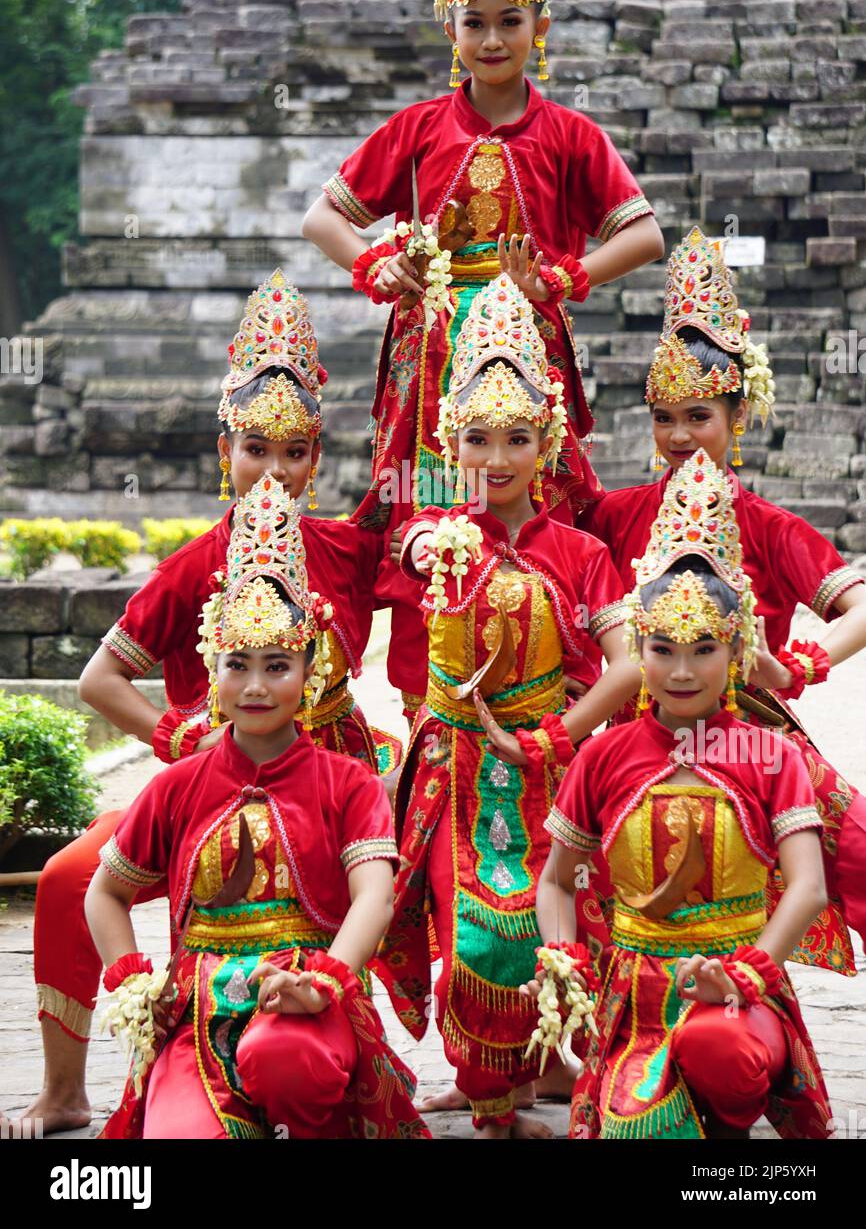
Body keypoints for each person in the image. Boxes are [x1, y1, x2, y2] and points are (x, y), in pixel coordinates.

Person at [3, 269, 399, 1137]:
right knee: (74, 879)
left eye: (294, 452)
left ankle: (504, 1077)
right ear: (227, 452)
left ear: (316, 459)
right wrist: (184, 736)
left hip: (333, 791)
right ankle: (67, 1085)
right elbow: (99, 680)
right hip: (207, 793)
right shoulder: (194, 564)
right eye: (256, 448)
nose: (275, 471)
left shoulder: (349, 551)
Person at [301, 0, 664, 721]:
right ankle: (433, 711)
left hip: (529, 351)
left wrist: (565, 278)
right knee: (429, 519)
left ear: (539, 21)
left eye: (511, 19)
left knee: (542, 516)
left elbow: (645, 234)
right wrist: (382, 266)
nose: (493, 38)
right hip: (430, 362)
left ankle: (557, 697)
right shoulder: (419, 128)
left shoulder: (572, 134)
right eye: (476, 21)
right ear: (450, 27)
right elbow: (324, 218)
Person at [375, 272, 640, 1138]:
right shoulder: (440, 534)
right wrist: (433, 543)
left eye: (518, 438)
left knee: (548, 927)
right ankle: (494, 1101)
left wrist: (559, 734)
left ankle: (552, 1072)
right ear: (452, 440)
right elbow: (412, 549)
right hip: (454, 768)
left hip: (550, 767)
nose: (497, 458)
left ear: (547, 444)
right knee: (476, 939)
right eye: (479, 438)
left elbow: (628, 663)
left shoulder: (581, 551)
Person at [84, 473, 427, 1139]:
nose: (256, 686)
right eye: (237, 664)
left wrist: (327, 980)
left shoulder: (346, 781)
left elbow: (374, 898)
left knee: (287, 1059)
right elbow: (105, 892)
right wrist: (130, 983)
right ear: (212, 667)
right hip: (200, 1009)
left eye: (277, 666)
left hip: (304, 1002)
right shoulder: (178, 784)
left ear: (311, 671)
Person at [580, 225, 866, 970]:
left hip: (740, 732)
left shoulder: (769, 527)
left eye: (699, 416)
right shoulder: (613, 517)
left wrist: (793, 669)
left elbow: (860, 607)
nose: (680, 436)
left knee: (858, 847)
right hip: (632, 734)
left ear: (737, 419)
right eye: (665, 418)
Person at [532, 448, 832, 1139]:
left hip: (735, 984)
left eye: (703, 648)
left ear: (735, 650)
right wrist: (562, 957)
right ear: (639, 649)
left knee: (718, 1047)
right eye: (662, 648)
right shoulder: (605, 755)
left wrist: (748, 974)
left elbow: (809, 888)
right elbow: (557, 881)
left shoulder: (769, 753)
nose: (682, 670)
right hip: (635, 994)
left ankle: (727, 1118)